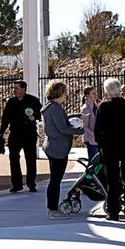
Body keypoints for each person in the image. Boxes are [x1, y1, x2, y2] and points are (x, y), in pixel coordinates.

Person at [95, 78, 125, 222]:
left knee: (113, 180)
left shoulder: (103, 107)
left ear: (106, 91)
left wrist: (102, 144)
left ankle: (113, 211)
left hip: (110, 148)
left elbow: (98, 131)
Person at [41, 82, 83, 220]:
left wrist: (77, 115)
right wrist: (82, 131)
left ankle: (52, 207)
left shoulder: (50, 107)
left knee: (55, 179)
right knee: (55, 180)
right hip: (58, 149)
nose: (67, 94)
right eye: (65, 92)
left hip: (52, 146)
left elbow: (61, 121)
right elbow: (63, 128)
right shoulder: (55, 108)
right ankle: (52, 210)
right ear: (59, 93)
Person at [0, 81, 43, 194]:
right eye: (14, 88)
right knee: (13, 159)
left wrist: (34, 117)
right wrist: (1, 133)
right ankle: (16, 185)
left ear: (23, 89)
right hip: (15, 134)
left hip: (29, 134)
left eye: (17, 88)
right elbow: (5, 118)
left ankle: (31, 184)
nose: (14, 90)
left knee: (30, 159)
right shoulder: (11, 102)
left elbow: (40, 113)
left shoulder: (33, 100)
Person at [80, 86, 99, 163]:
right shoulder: (86, 108)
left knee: (97, 162)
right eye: (93, 93)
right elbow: (85, 126)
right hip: (91, 139)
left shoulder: (95, 105)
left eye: (96, 93)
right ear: (87, 95)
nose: (95, 95)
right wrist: (94, 134)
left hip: (96, 139)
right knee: (93, 162)